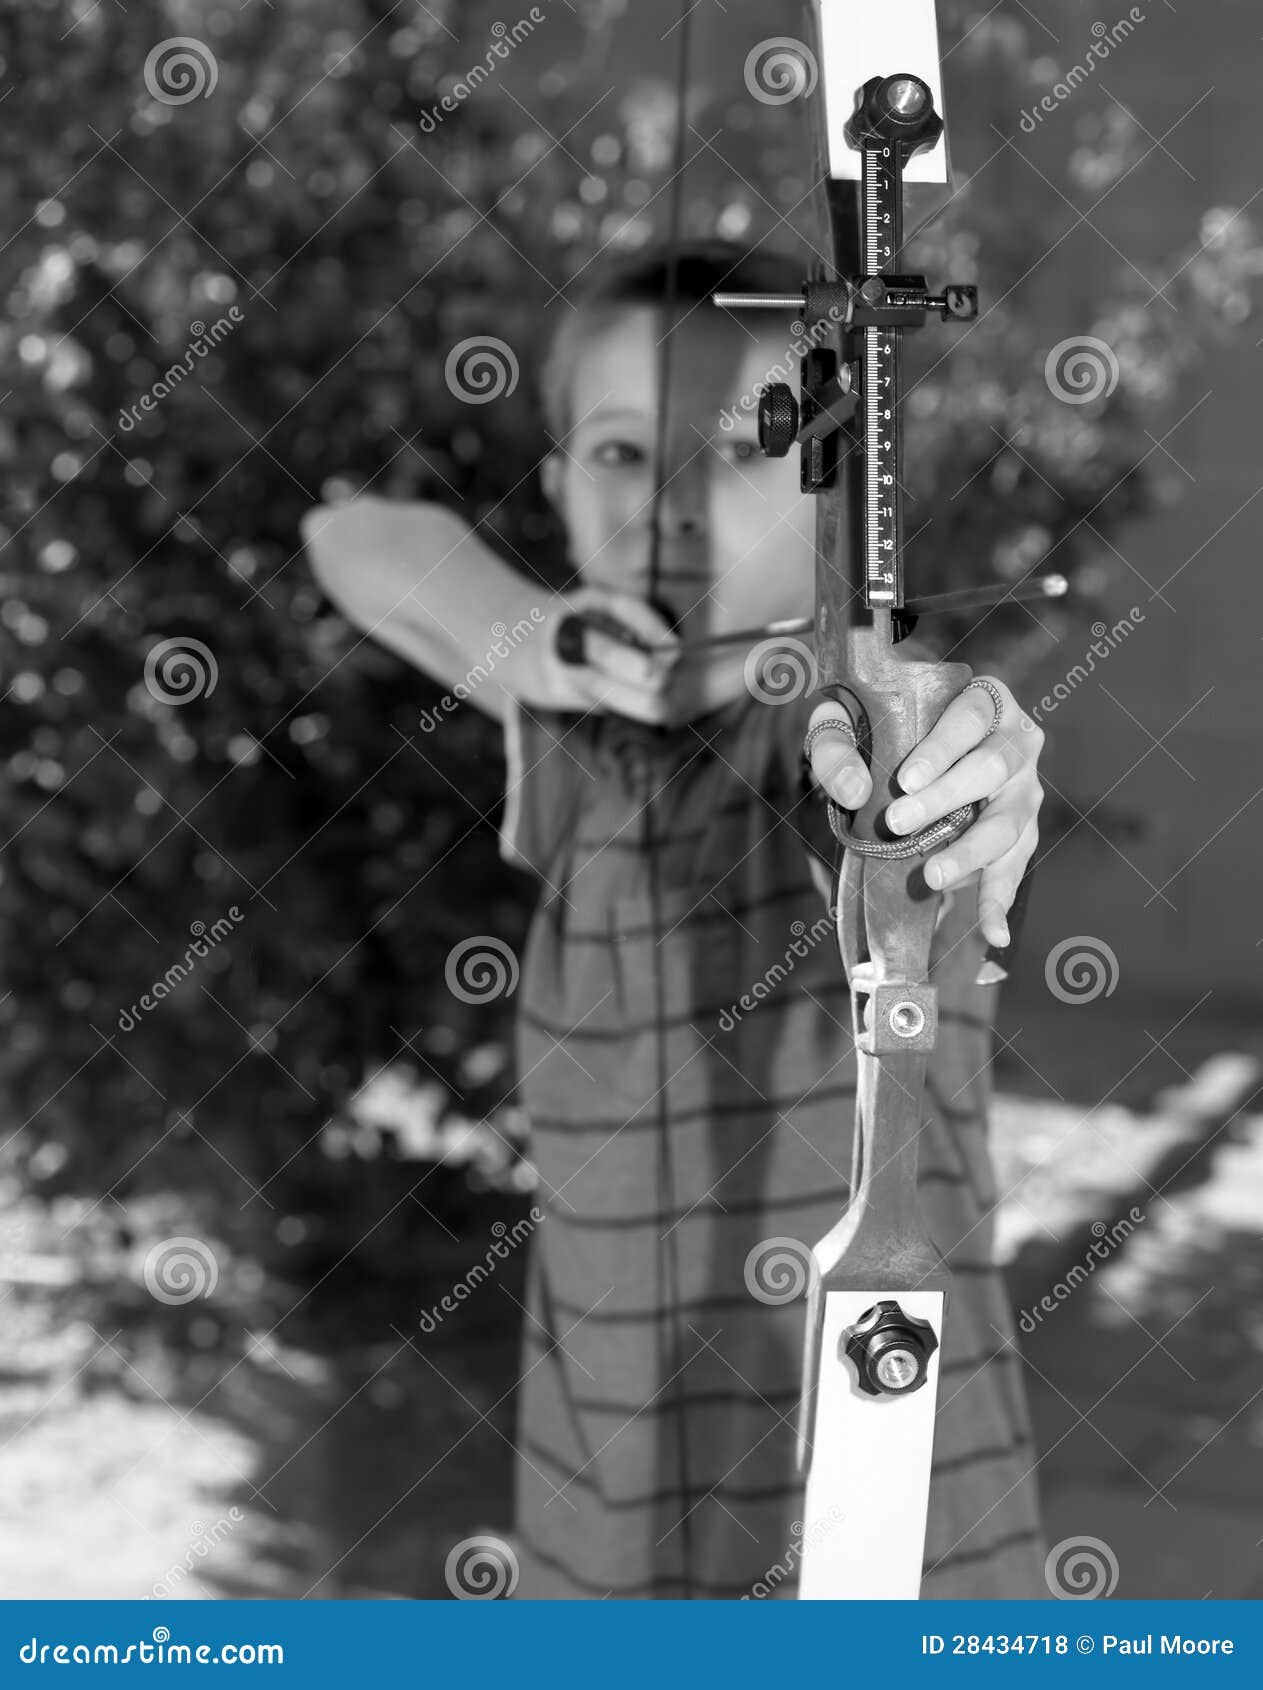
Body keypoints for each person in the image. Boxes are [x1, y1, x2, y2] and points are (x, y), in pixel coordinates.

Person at [300, 242, 1048, 1600]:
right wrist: (538, 643)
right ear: (556, 489)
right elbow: (350, 536)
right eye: (623, 454)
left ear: (837, 503)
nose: (675, 506)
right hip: (611, 1508)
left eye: (746, 448)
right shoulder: (583, 742)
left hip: (894, 1518)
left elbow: (920, 743)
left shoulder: (845, 741)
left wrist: (963, 768)